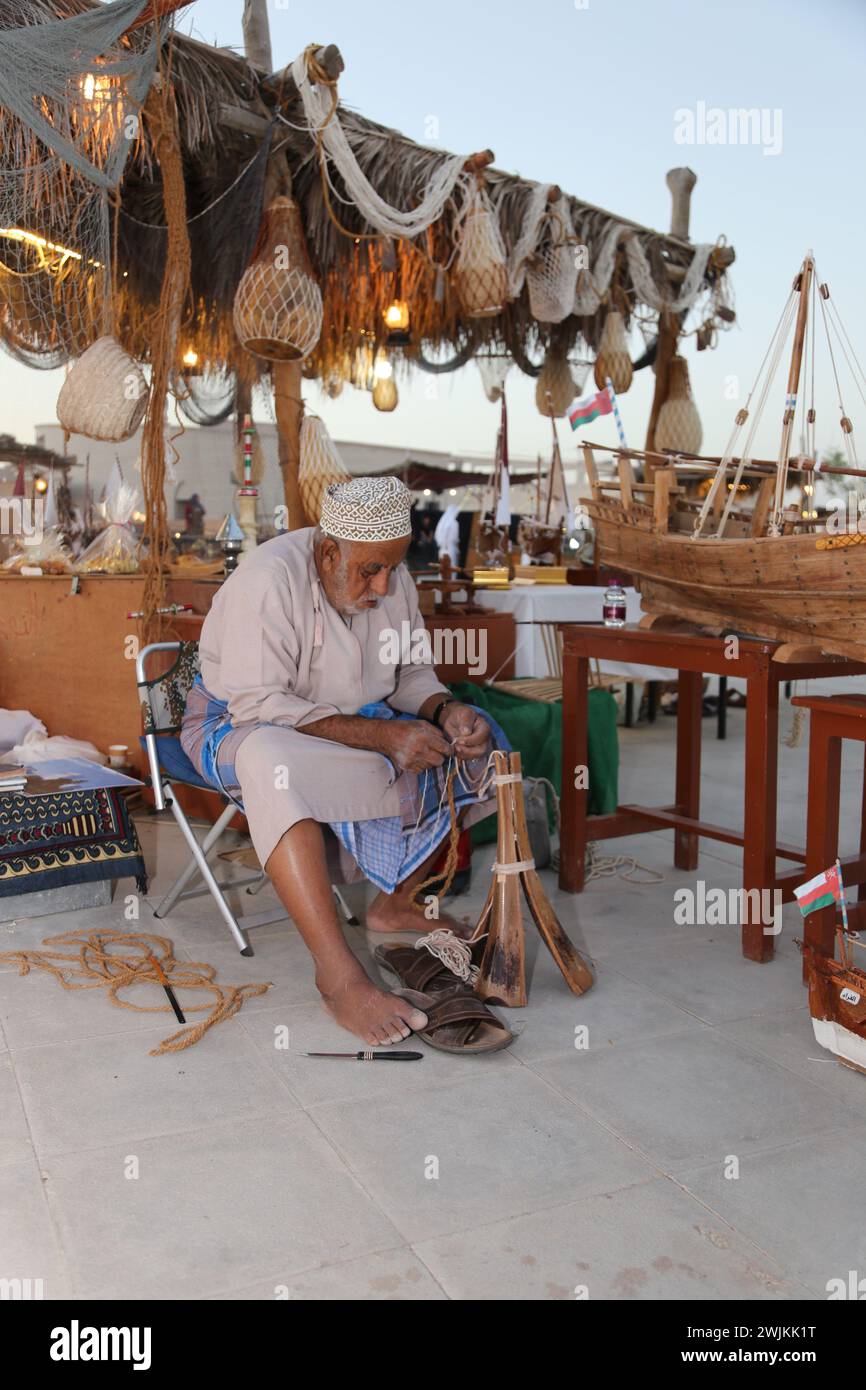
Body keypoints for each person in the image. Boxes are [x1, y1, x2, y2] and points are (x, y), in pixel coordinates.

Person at [180, 477, 507, 1046]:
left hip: (347, 723)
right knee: (269, 763)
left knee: (476, 740)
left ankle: (393, 905)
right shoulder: (267, 581)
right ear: (329, 551)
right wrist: (381, 735)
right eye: (370, 571)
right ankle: (337, 976)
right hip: (235, 723)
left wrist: (445, 709)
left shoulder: (390, 576)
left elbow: (411, 676)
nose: (382, 587)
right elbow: (260, 704)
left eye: (392, 569)